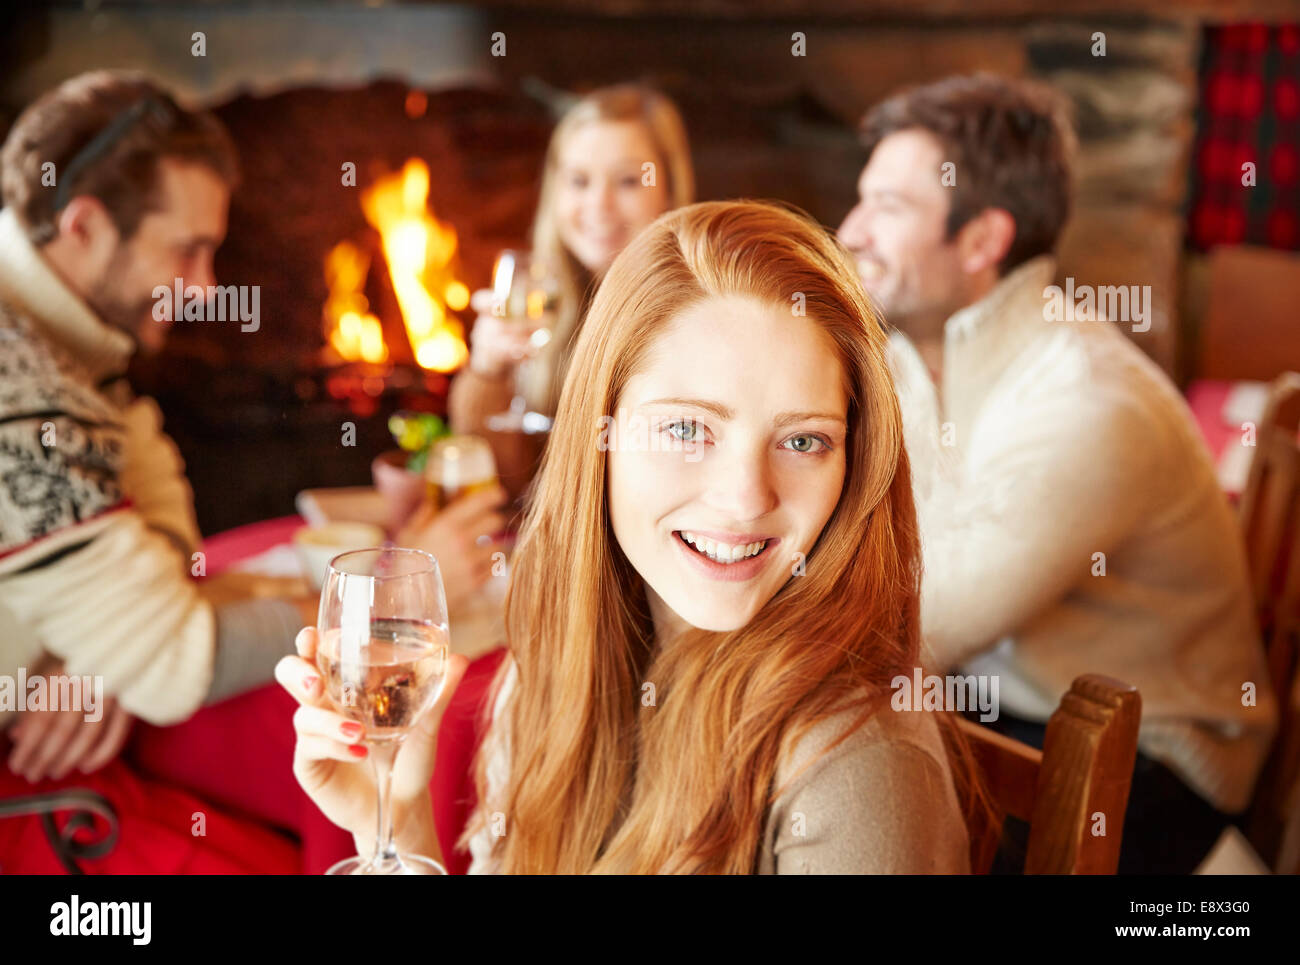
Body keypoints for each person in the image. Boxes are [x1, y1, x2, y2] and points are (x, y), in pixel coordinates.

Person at [278, 199, 987, 874]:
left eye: (803, 440)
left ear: (854, 462)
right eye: (687, 428)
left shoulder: (856, 774)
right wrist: (393, 821)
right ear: (601, 434)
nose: (745, 498)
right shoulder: (559, 662)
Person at [0, 70, 499, 787]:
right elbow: (180, 661)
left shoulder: (66, 343)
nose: (204, 287)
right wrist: (387, 596)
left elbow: (158, 504)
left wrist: (110, 648)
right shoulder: (24, 392)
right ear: (82, 226)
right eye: (185, 250)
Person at [836, 72, 1278, 873]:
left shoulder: (1085, 403)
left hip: (1155, 767)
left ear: (981, 241)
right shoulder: (906, 359)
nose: (850, 229)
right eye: (862, 198)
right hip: (1002, 706)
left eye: (888, 207)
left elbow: (914, 630)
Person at [448, 84, 694, 503]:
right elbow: (507, 485)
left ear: (669, 189)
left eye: (629, 181)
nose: (599, 205)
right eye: (579, 180)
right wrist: (489, 370)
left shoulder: (692, 314)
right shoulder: (551, 297)